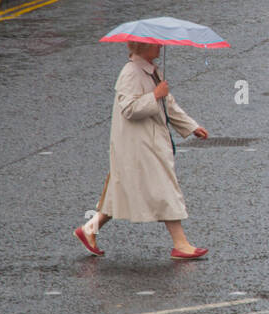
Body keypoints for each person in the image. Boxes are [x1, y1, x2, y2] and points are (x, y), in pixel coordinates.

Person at [75, 41, 211, 259]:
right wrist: (154, 95)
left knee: (122, 189)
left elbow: (169, 105)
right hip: (140, 144)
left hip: (149, 141)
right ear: (141, 47)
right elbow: (129, 109)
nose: (160, 47)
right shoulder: (131, 73)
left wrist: (191, 126)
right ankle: (181, 244)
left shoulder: (151, 70)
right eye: (155, 44)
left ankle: (90, 229)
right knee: (165, 188)